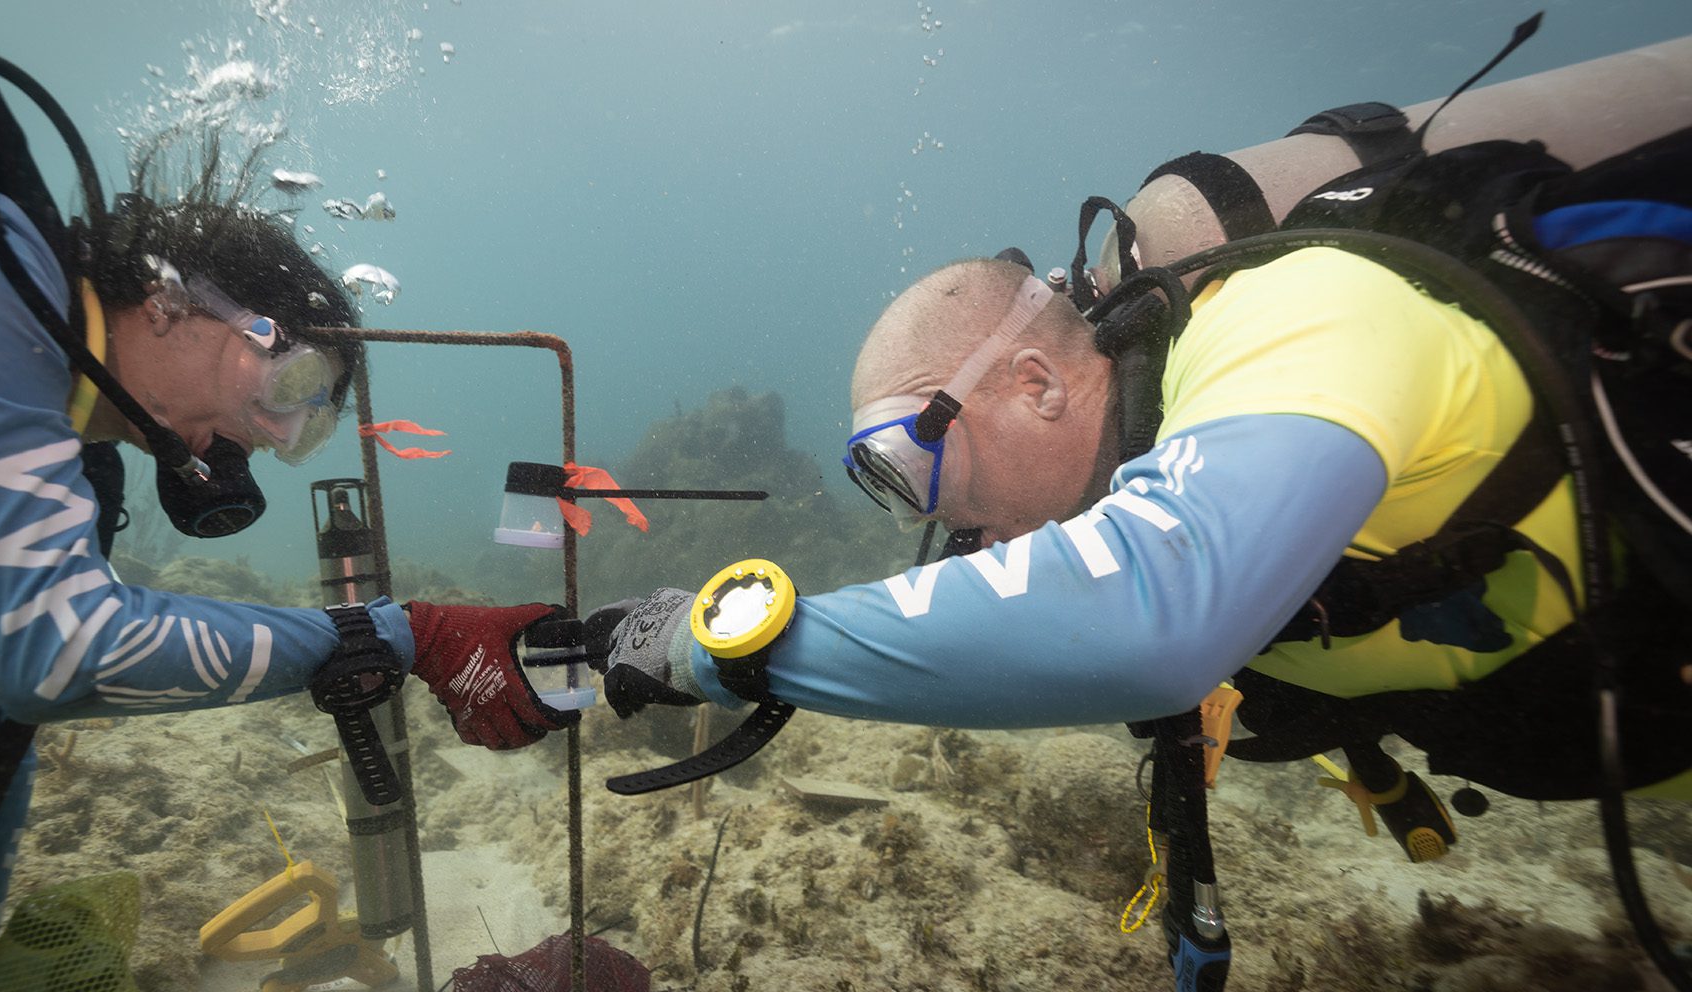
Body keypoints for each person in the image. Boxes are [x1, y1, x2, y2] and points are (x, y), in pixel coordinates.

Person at [0, 139, 574, 992]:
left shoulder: (55, 443)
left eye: (309, 423)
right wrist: (393, 632)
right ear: (171, 298)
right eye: (291, 387)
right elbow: (59, 652)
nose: (273, 437)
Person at [596, 246, 1692, 805]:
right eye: (880, 483)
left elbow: (1154, 621)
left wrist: (721, 645)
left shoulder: (1295, 315)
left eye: (904, 461)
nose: (917, 513)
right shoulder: (1166, 484)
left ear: (1037, 384)